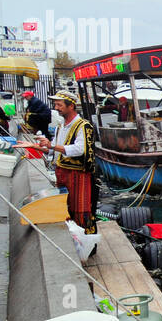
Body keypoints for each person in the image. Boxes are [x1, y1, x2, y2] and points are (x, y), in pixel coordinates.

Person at [37, 92, 97, 235]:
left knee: (81, 209)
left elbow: (79, 149)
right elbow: (56, 150)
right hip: (62, 173)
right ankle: (73, 237)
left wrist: (51, 147)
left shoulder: (83, 125)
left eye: (59, 105)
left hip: (78, 174)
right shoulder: (60, 126)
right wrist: (38, 147)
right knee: (66, 207)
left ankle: (87, 242)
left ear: (71, 106)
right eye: (55, 104)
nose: (56, 108)